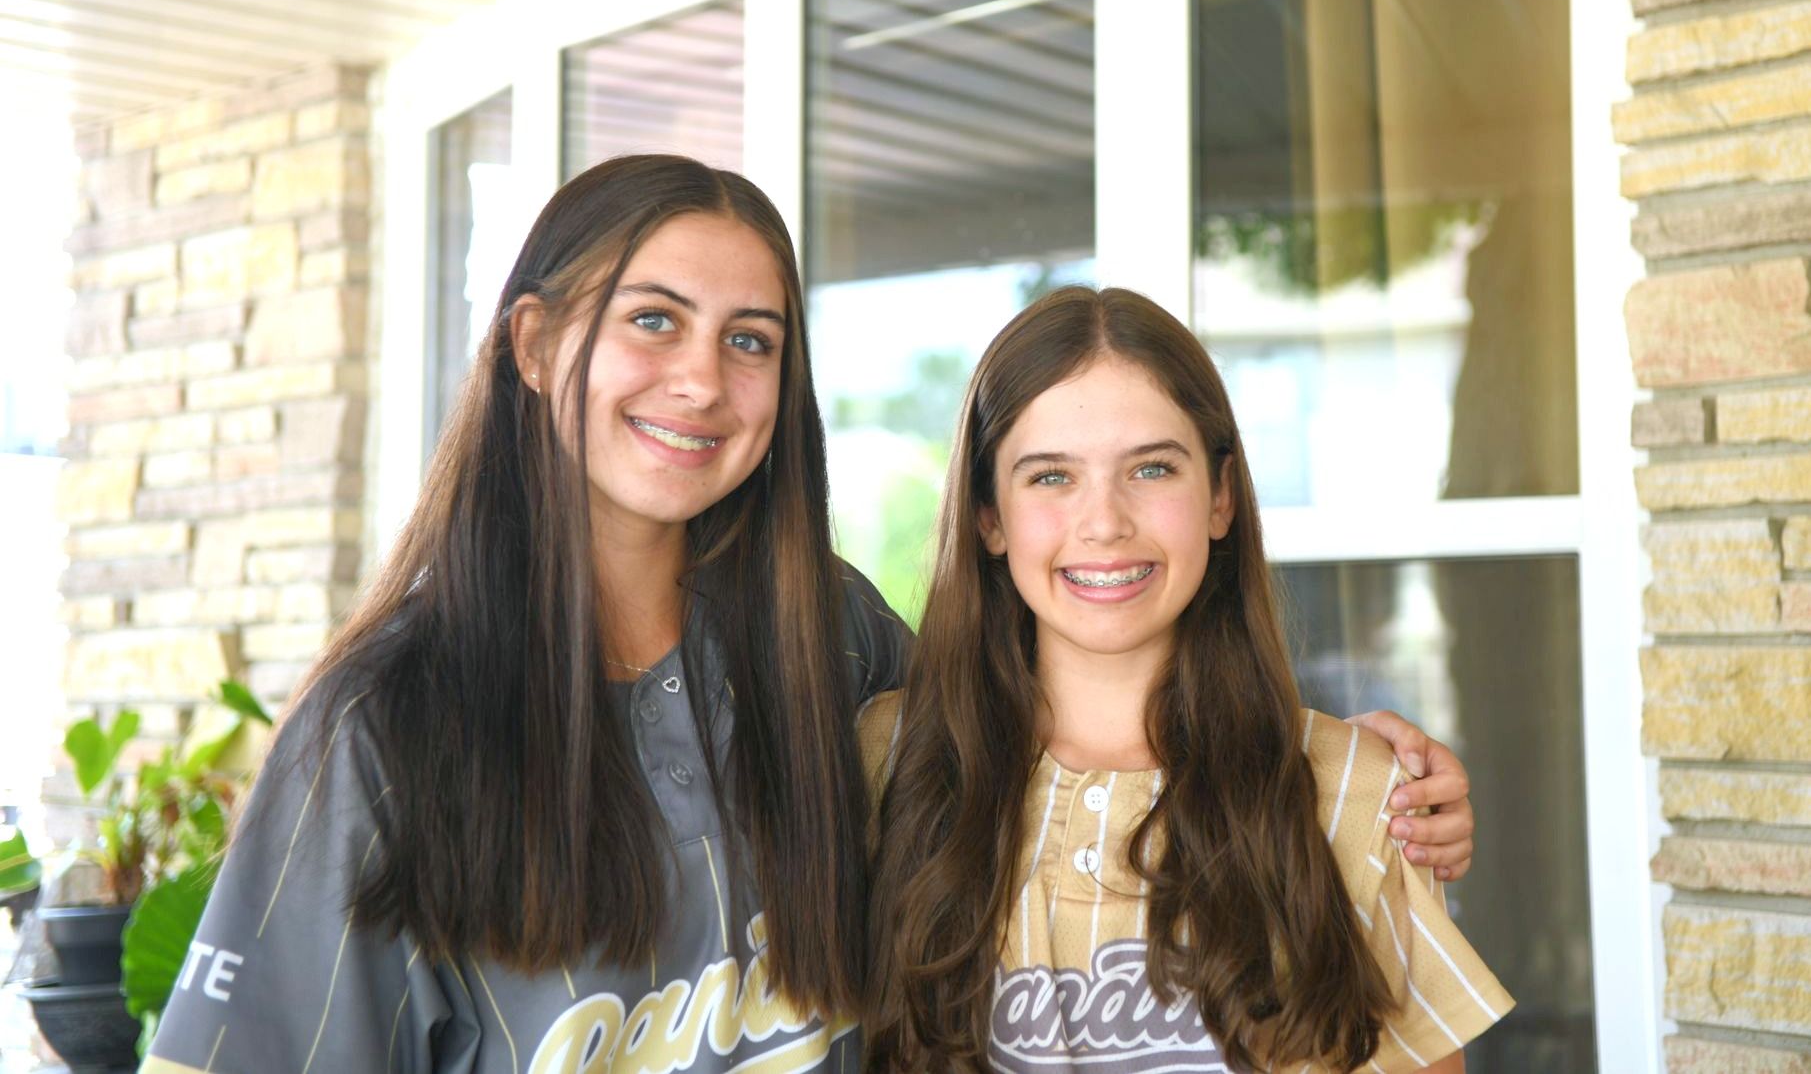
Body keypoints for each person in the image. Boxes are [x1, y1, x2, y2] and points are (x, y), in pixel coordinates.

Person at [143, 158, 1475, 1074]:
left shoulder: (821, 642)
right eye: (652, 319)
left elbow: (1053, 707)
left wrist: (1342, 775)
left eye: (751, 339)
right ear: (537, 344)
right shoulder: (382, 726)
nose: (702, 381)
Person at [860, 286, 1510, 1073]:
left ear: (1220, 496)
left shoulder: (1357, 791)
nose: (1104, 522)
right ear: (987, 515)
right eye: (1050, 477)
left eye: (1152, 467)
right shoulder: (886, 760)